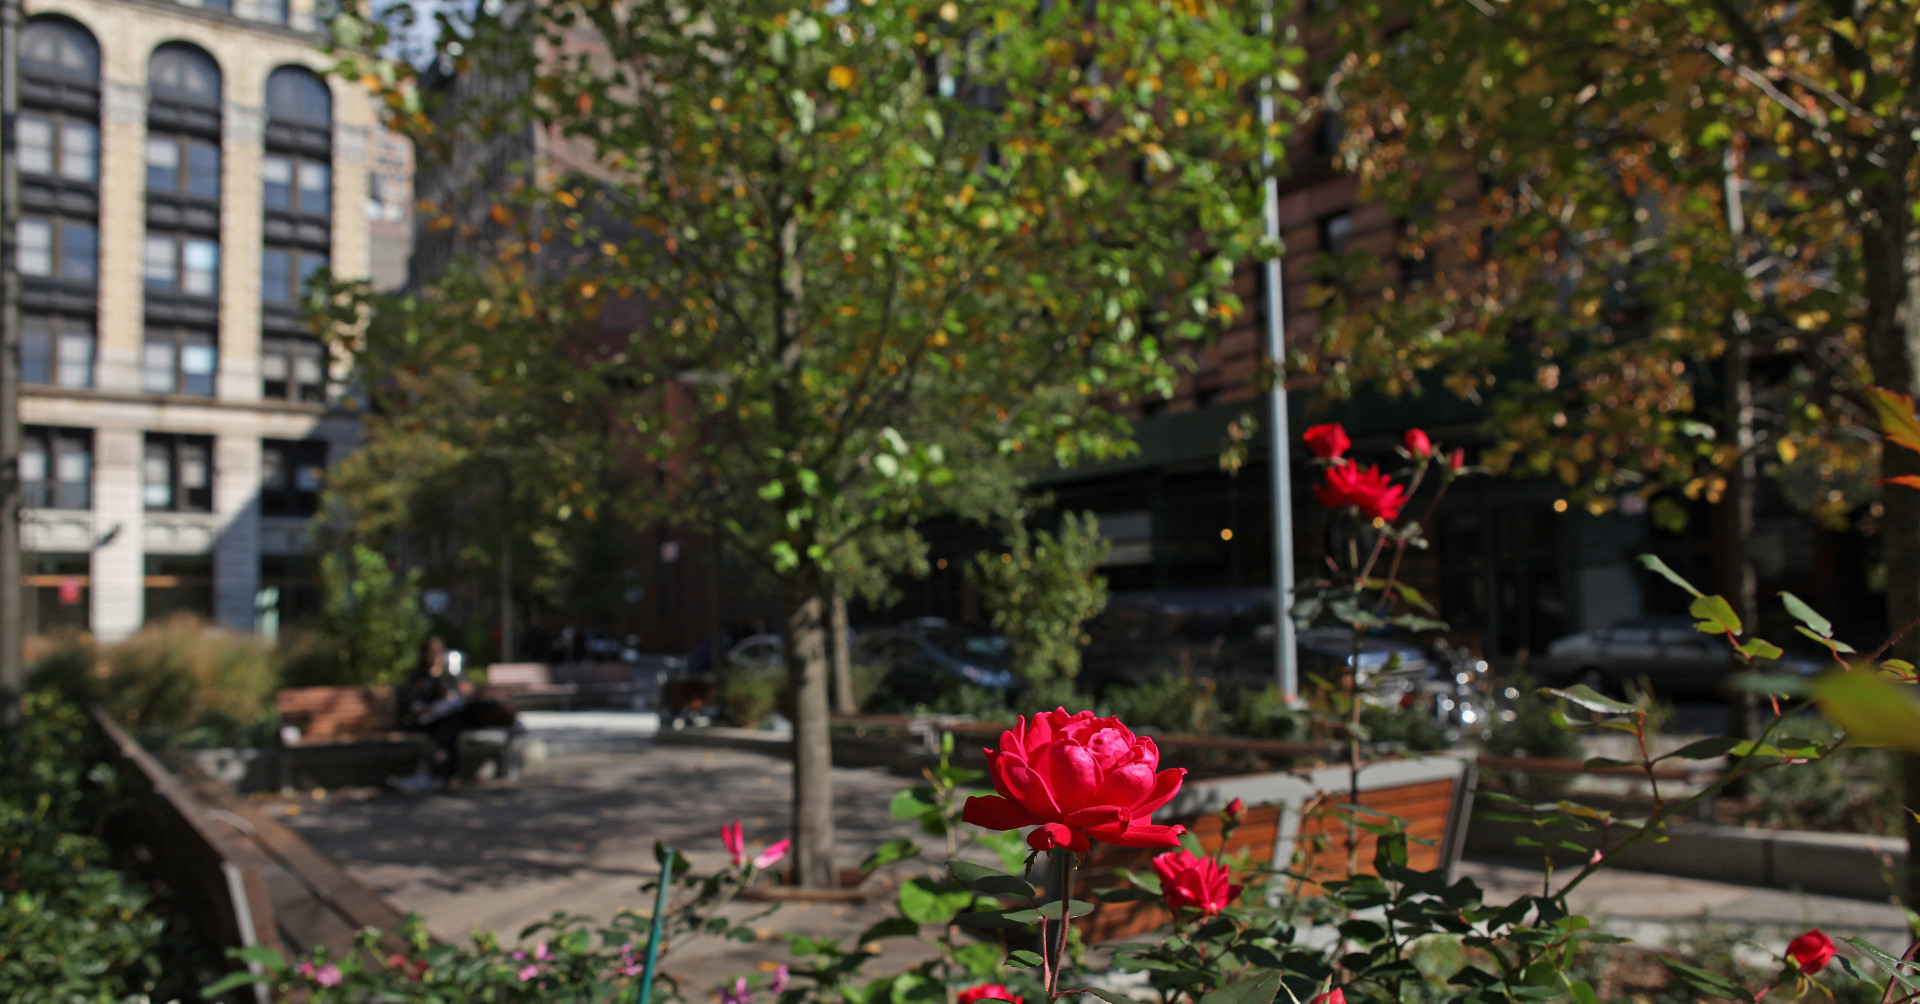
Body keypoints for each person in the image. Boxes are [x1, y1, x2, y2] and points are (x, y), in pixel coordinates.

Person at [401, 637, 471, 790]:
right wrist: (425, 708)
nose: (435, 657)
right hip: (424, 721)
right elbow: (410, 703)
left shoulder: (447, 676)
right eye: (431, 653)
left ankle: (441, 756)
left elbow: (455, 699)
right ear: (425, 655)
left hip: (444, 721)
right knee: (451, 728)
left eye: (438, 653)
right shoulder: (419, 677)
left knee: (451, 723)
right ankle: (449, 774)